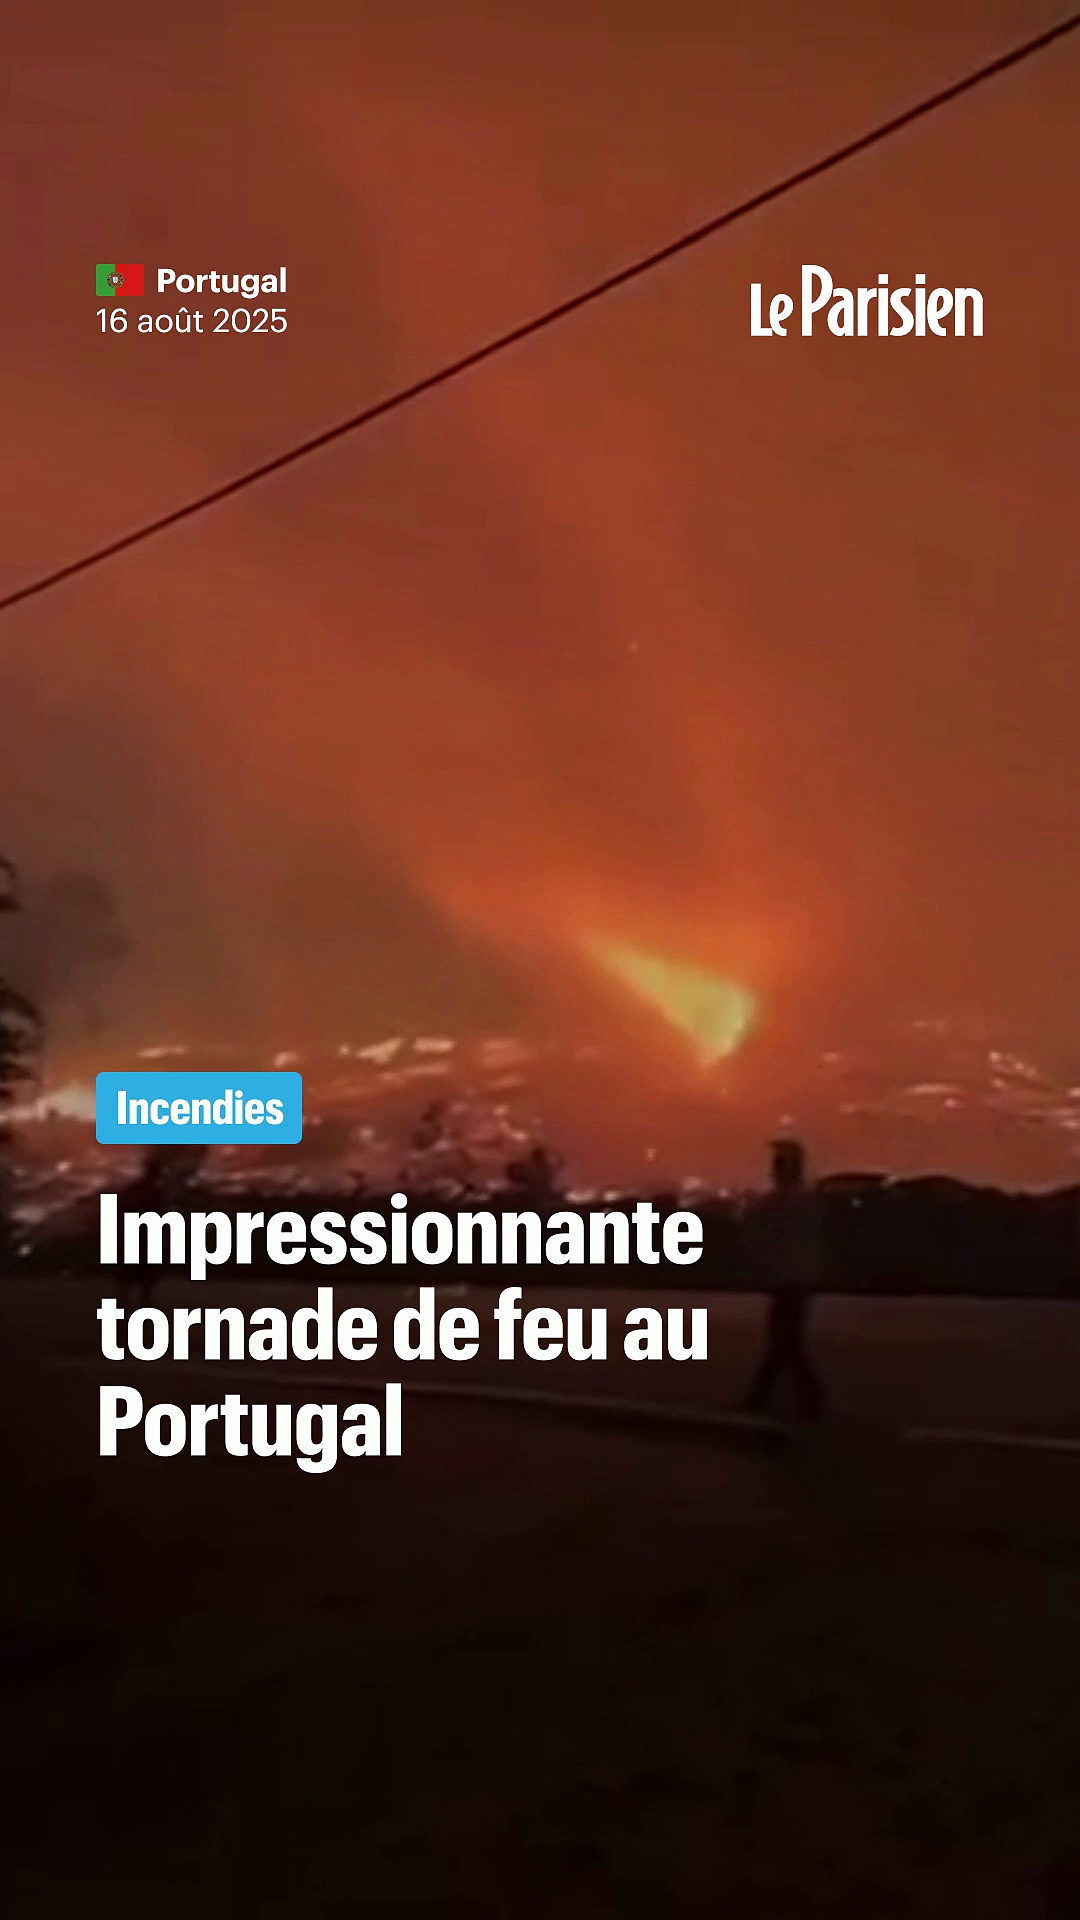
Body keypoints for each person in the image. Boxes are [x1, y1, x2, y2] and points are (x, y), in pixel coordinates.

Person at [740, 1136, 826, 1420]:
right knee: (786, 1342)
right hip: (800, 1278)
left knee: (784, 1343)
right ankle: (774, 1398)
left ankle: (767, 1398)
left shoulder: (780, 1201)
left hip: (787, 1279)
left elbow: (757, 1231)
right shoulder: (807, 1201)